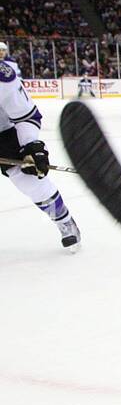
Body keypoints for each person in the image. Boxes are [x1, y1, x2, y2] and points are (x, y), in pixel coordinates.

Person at [0, 40, 80, 251]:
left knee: (28, 180)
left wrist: (31, 146)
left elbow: (27, 116)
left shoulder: (3, 78)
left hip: (4, 131)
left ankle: (64, 221)